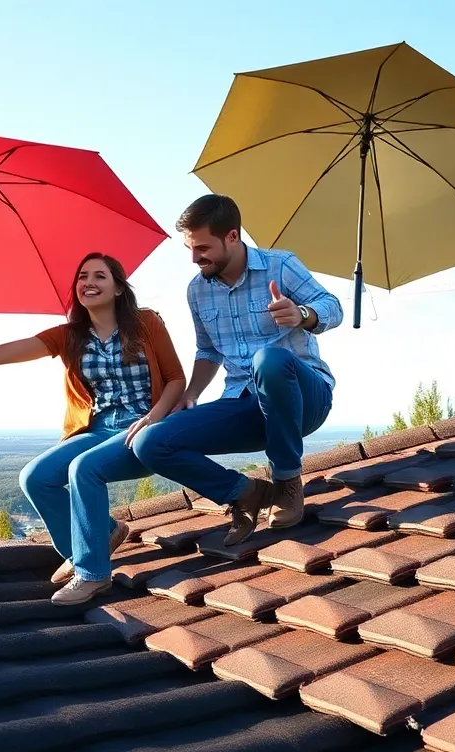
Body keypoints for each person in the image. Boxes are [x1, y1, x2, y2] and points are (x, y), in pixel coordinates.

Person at [0, 253, 185, 605]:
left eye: (100, 276)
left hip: (143, 430)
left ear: (119, 287)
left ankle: (92, 573)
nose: (88, 282)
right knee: (34, 477)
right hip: (96, 430)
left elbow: (176, 379)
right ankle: (99, 537)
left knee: (83, 469)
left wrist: (153, 418)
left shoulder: (146, 323)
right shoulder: (67, 336)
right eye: (82, 276)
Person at [131, 194, 342, 547]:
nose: (195, 258)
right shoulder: (197, 290)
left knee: (269, 359)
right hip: (243, 403)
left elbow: (331, 306)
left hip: (304, 397)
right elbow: (208, 350)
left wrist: (302, 314)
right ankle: (244, 492)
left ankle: (288, 480)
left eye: (202, 247)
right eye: (190, 249)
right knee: (150, 442)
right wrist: (192, 393)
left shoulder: (280, 265)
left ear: (232, 236)